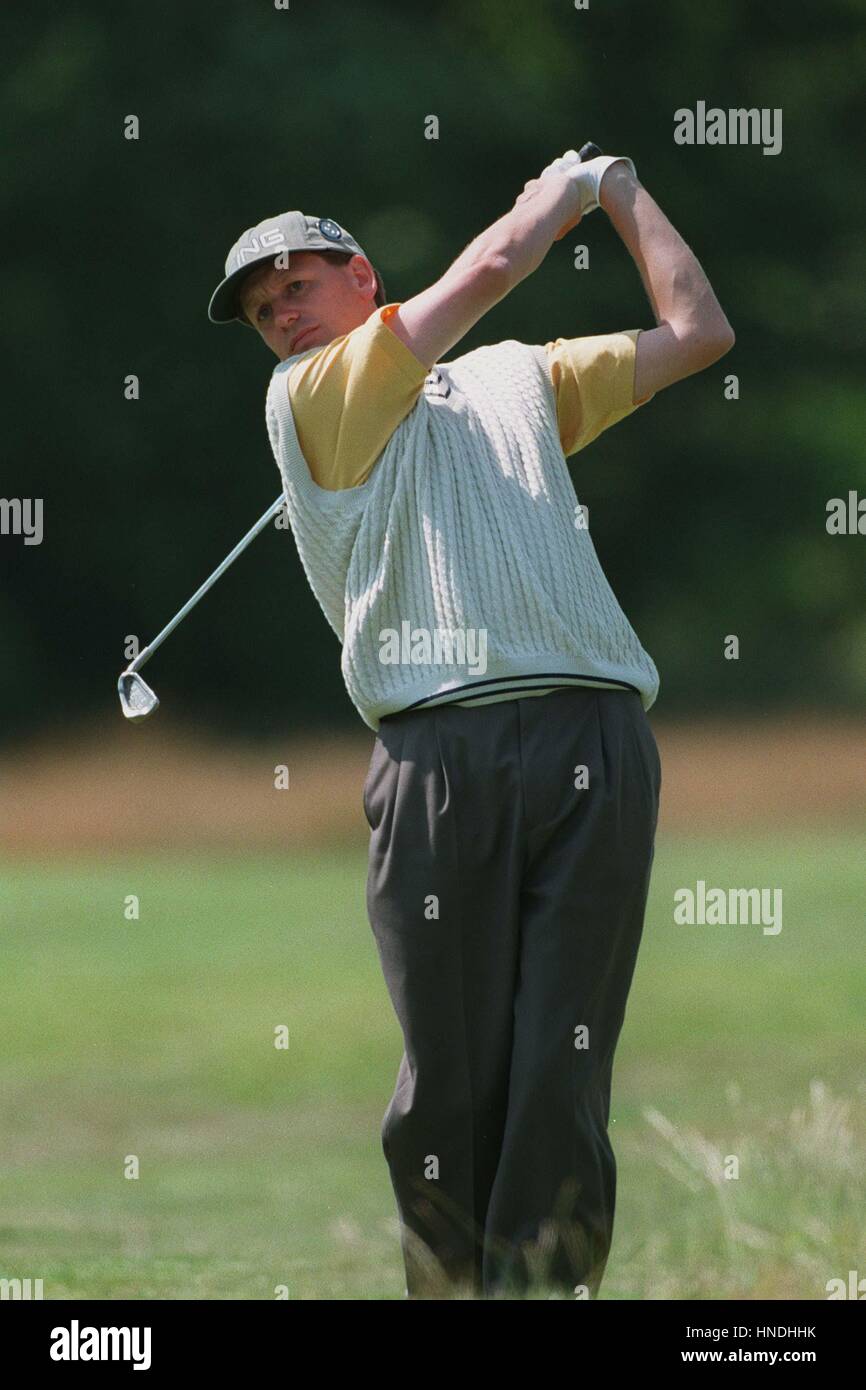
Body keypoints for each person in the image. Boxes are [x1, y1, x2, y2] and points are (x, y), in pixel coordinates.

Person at [207, 150, 734, 1299]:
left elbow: (696, 335)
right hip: (438, 755)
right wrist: (559, 194)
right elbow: (497, 258)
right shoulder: (305, 397)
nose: (280, 317)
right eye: (260, 310)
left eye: (295, 286)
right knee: (454, 1081)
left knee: (561, 1069)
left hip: (594, 741)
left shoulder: (512, 381)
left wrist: (625, 192)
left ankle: (542, 1292)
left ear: (362, 277)